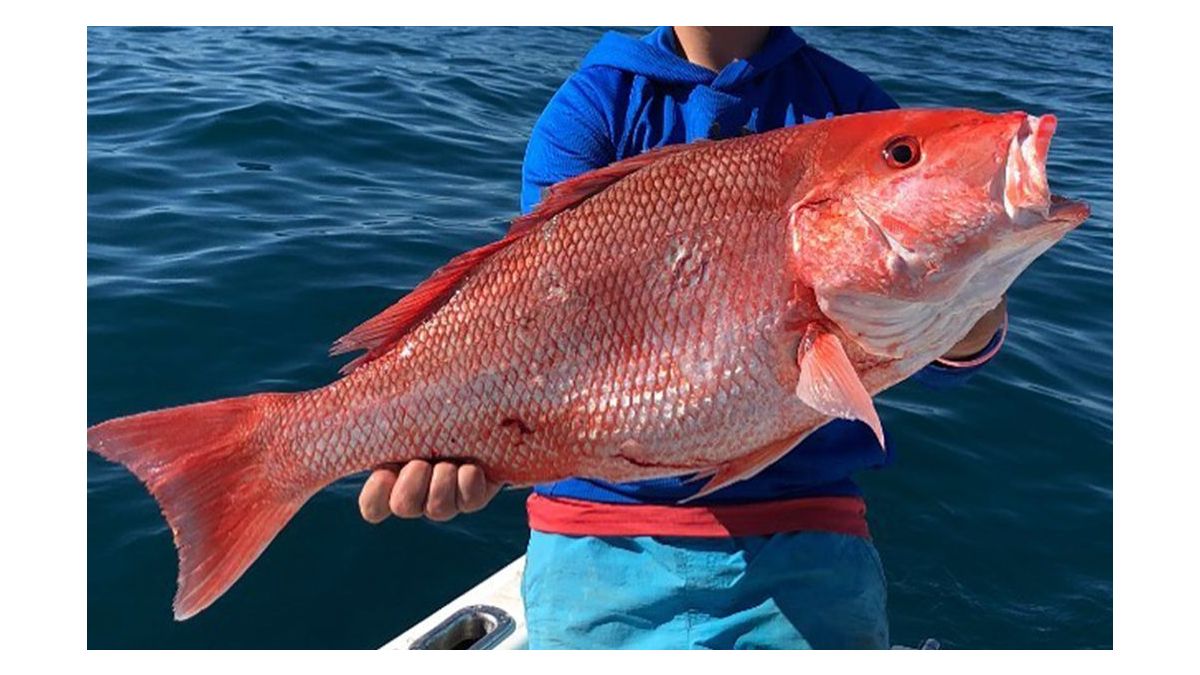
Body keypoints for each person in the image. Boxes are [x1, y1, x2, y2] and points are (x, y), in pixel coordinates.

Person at [359, 26, 1007, 649]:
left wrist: (969, 298)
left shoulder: (855, 109)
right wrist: (471, 435)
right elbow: (530, 311)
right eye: (902, 156)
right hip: (592, 535)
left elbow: (941, 354)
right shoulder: (593, 108)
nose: (902, 156)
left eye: (903, 156)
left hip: (805, 530)